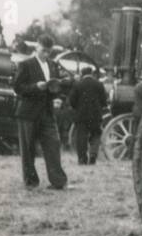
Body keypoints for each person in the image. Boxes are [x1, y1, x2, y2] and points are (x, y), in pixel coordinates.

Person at [12, 35, 68, 190]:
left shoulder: (52, 65)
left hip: (47, 112)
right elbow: (17, 88)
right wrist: (36, 87)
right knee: (28, 149)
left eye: (49, 52)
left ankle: (58, 182)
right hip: (28, 113)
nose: (46, 54)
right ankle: (31, 182)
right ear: (37, 47)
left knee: (53, 145)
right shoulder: (25, 64)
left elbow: (56, 86)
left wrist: (57, 97)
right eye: (43, 50)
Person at [68, 68, 108, 164]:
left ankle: (82, 158)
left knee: (81, 136)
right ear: (92, 74)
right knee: (95, 134)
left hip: (81, 115)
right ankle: (93, 155)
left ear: (82, 74)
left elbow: (72, 100)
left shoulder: (77, 84)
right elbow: (104, 100)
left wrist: (77, 107)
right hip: (95, 115)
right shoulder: (99, 84)